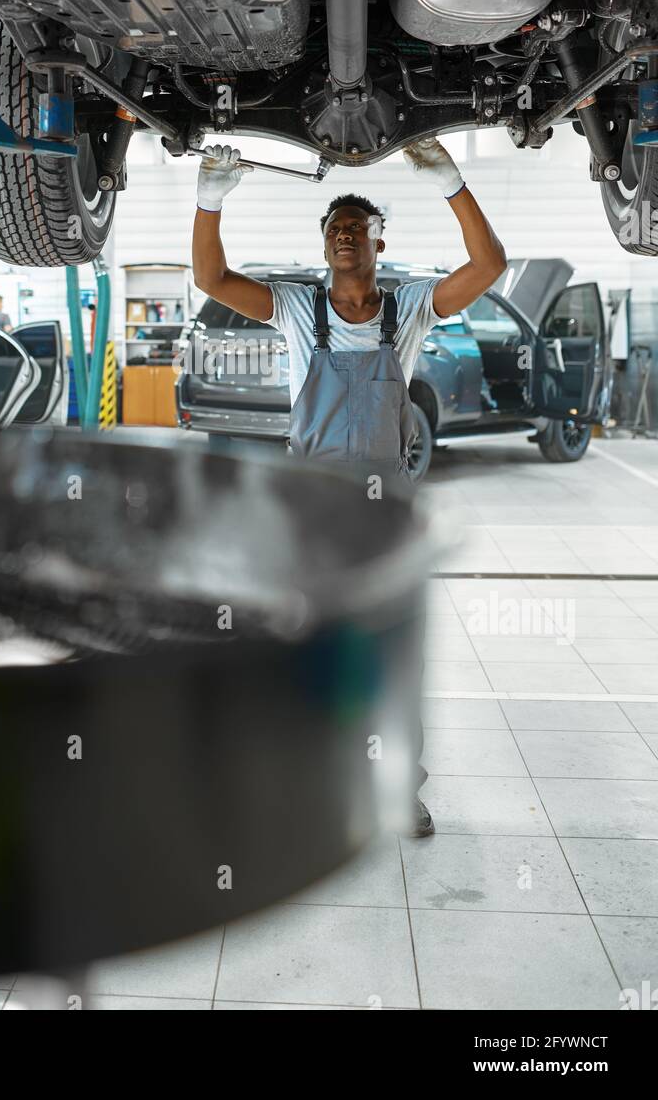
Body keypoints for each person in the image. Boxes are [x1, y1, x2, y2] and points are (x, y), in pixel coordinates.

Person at [192, 137, 507, 837]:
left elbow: (490, 266)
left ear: (377, 243)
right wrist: (209, 197)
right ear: (324, 243)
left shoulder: (413, 307)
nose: (343, 236)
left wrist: (451, 181)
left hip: (382, 509)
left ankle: (399, 787)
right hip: (308, 507)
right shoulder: (297, 308)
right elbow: (212, 279)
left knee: (389, 650)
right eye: (335, 228)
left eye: (356, 228)